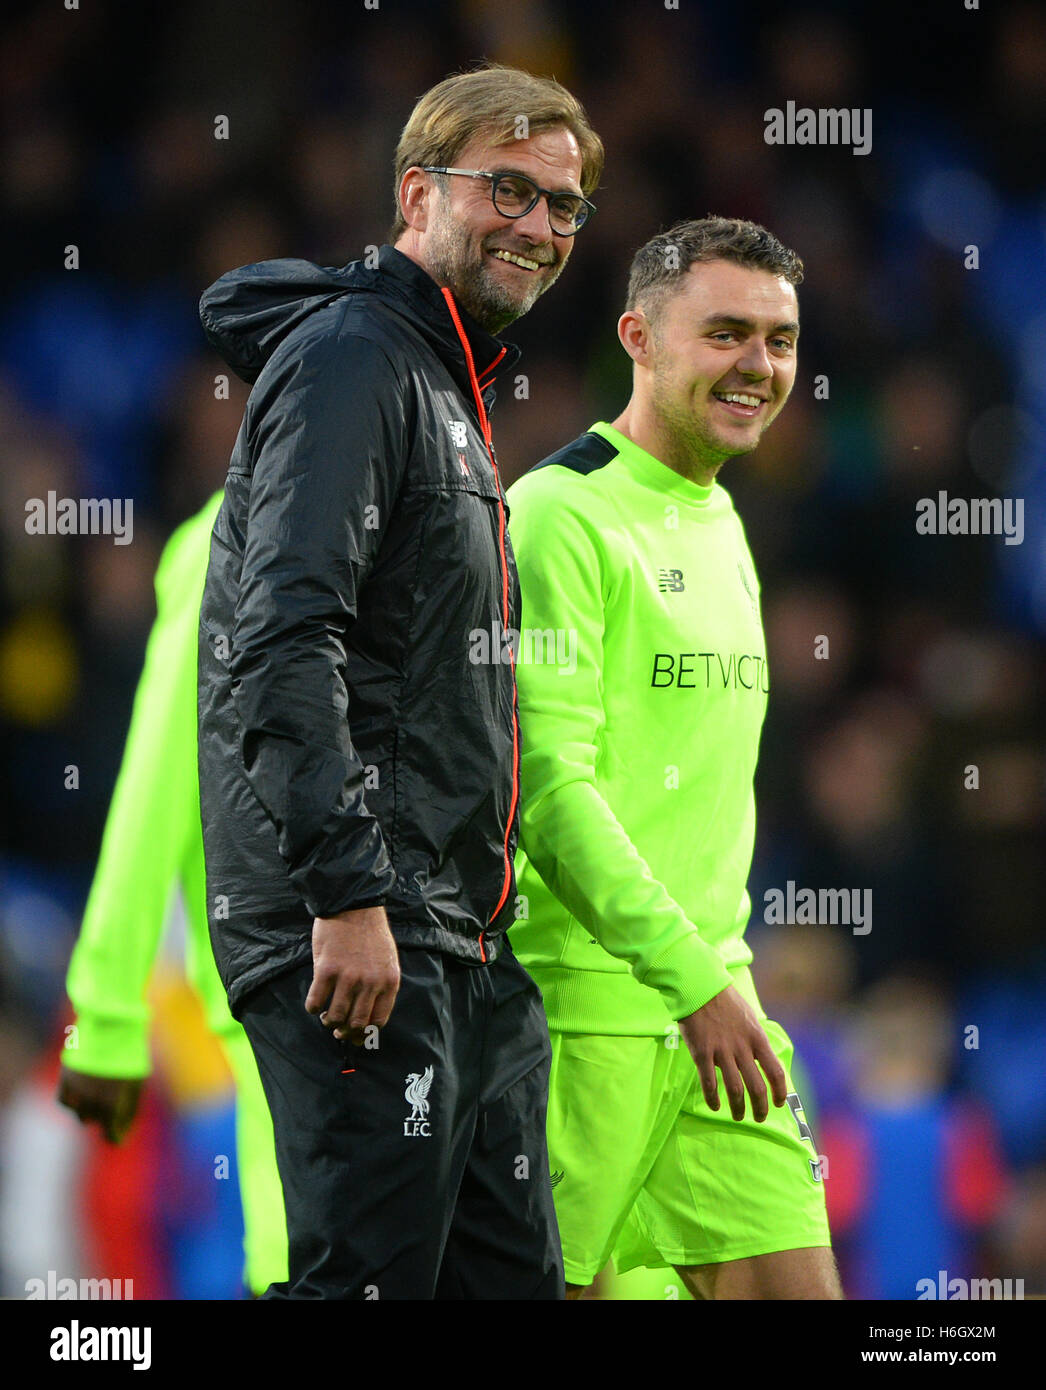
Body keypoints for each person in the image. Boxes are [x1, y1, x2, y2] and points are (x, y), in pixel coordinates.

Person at [196, 64, 604, 1300]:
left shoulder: (440, 382)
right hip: (365, 934)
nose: (539, 226)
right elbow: (282, 639)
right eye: (511, 191)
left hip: (454, 942)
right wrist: (348, 888)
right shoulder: (352, 358)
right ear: (417, 191)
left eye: (564, 207)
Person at [507, 217, 843, 1300]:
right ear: (638, 338)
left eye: (780, 341)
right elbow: (548, 788)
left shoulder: (723, 521)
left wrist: (710, 981)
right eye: (726, 334)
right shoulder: (554, 516)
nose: (759, 366)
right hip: (581, 1023)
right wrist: (687, 979)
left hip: (719, 1019)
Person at [57, 491, 288, 1296]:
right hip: (278, 1014)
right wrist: (108, 1017)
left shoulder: (446, 507)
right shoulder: (236, 534)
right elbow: (158, 782)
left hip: (435, 998)